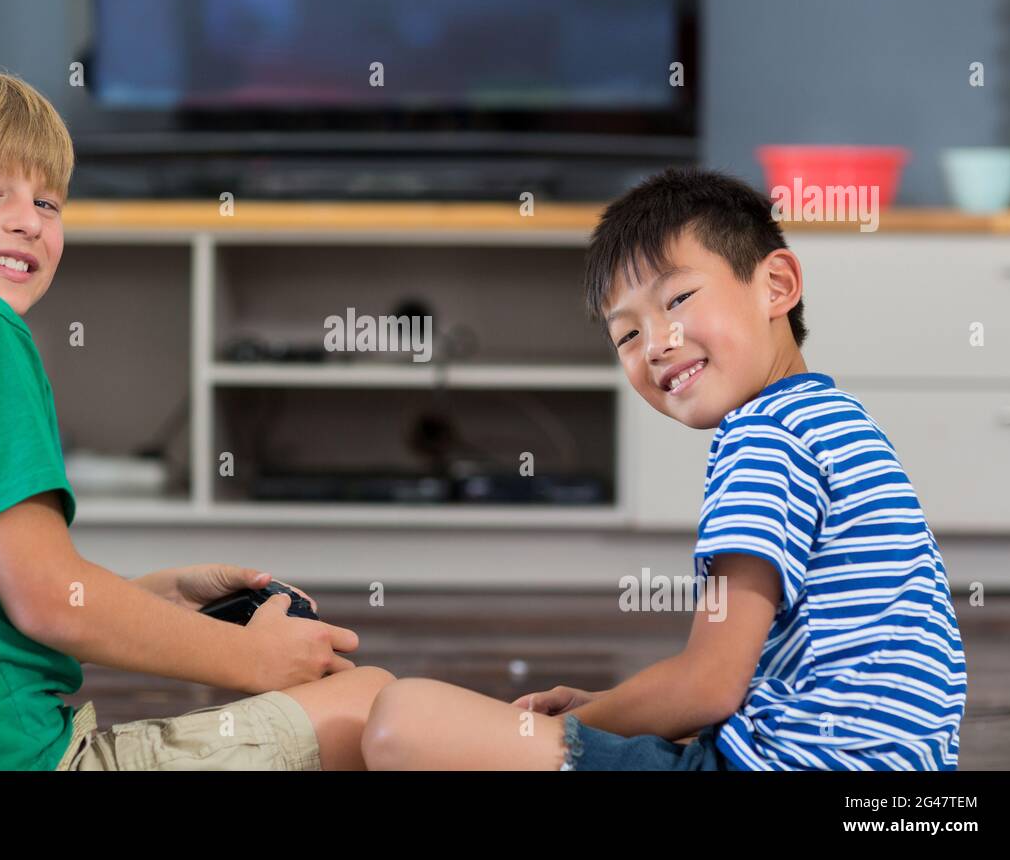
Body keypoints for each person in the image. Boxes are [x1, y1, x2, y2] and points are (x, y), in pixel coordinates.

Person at [0, 64, 391, 771]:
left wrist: (162, 598)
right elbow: (47, 602)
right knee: (369, 703)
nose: (27, 220)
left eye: (48, 202)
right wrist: (252, 659)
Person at [361, 168, 966, 771]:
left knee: (400, 719)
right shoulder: (832, 419)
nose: (655, 345)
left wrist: (562, 725)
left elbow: (708, 686)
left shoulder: (764, 437)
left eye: (677, 299)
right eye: (626, 335)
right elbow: (759, 681)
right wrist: (609, 705)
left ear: (777, 286)